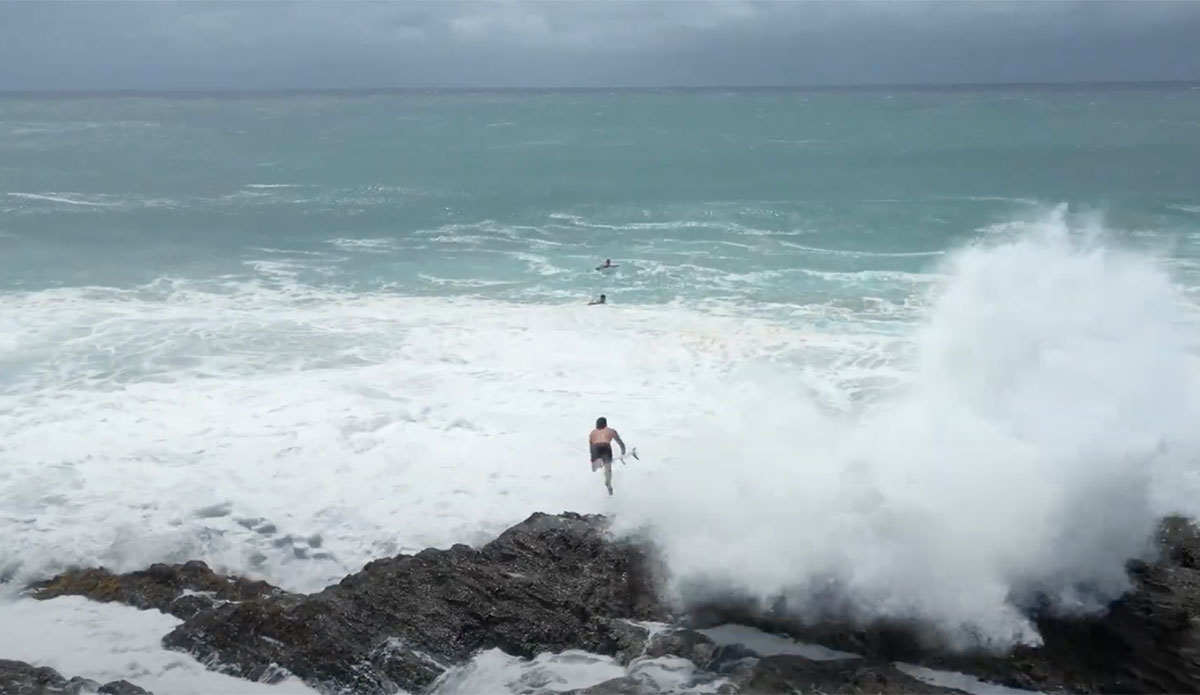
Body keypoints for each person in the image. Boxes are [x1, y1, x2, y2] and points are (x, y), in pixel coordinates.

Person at [588, 416, 626, 495]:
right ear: (605, 424)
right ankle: (608, 482)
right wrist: (623, 450)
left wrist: (593, 458)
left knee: (596, 467)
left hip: (595, 449)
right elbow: (619, 441)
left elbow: (591, 447)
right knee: (607, 468)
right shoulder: (610, 431)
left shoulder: (592, 433)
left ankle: (597, 465)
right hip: (605, 447)